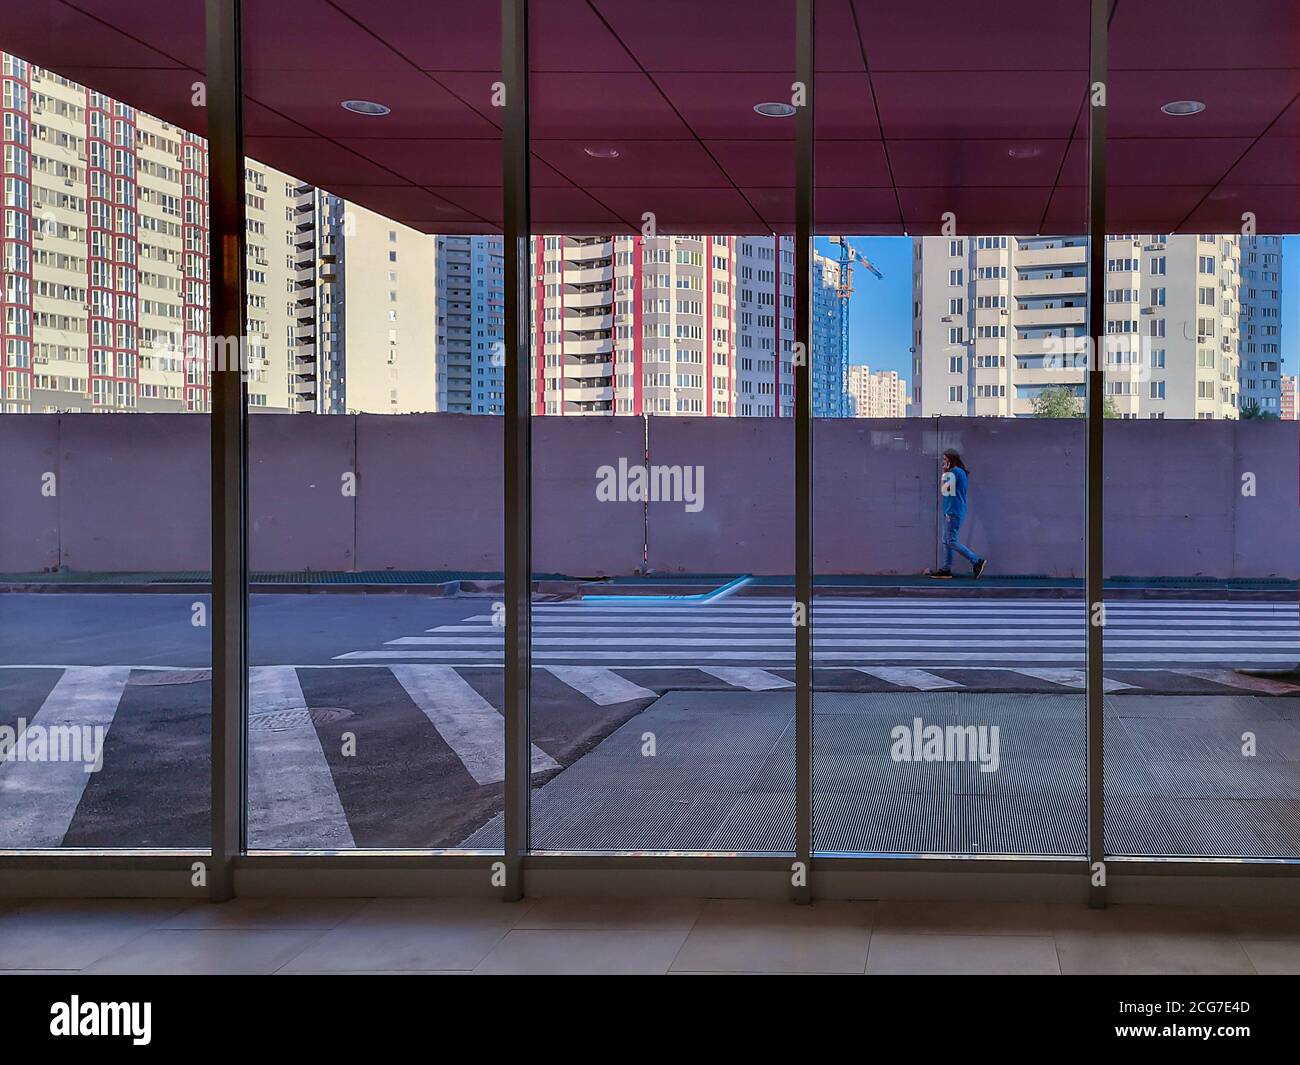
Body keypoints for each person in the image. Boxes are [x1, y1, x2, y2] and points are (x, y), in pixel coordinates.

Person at [929, 448, 986, 579]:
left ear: (950, 460)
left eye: (944, 459)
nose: (942, 462)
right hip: (953, 509)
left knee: (951, 541)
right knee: (946, 541)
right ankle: (946, 569)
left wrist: (944, 472)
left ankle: (976, 561)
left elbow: (944, 490)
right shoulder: (960, 472)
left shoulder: (954, 472)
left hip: (952, 511)